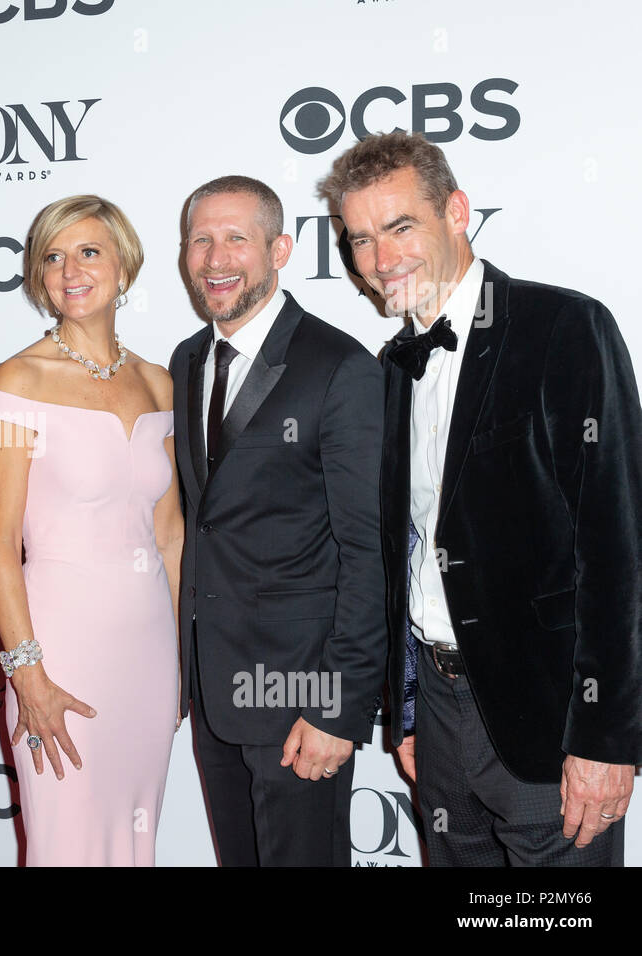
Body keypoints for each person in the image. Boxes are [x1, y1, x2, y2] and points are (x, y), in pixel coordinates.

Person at [321, 131, 642, 865]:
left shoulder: (562, 328)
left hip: (549, 722)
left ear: (457, 212)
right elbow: (409, 548)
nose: (380, 259)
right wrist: (405, 708)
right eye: (361, 240)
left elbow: (619, 547)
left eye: (400, 227)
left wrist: (604, 738)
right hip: (436, 716)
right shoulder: (394, 364)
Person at [170, 176, 384, 867]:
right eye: (200, 240)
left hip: (299, 699)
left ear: (280, 248)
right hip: (214, 694)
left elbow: (368, 551)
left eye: (236, 237)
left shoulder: (339, 366)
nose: (215, 257)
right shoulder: (187, 360)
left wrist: (337, 708)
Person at [0, 195, 180, 866]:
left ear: (123, 265)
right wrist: (26, 675)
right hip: (59, 649)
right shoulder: (15, 380)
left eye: (89, 251)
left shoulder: (157, 383)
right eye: (53, 257)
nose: (70, 270)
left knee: (135, 838)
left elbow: (171, 534)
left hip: (148, 654)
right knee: (65, 842)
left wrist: (182, 661)